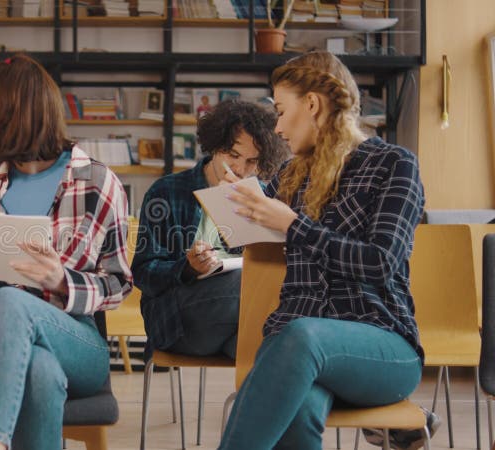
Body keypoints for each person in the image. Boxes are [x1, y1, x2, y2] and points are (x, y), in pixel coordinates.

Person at [218, 50, 429, 450]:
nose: (277, 128)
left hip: (382, 345)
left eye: (281, 111)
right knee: (295, 409)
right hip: (296, 349)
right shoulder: (287, 176)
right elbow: (264, 246)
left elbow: (381, 262)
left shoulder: (394, 164)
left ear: (312, 104)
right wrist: (240, 208)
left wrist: (293, 225)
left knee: (301, 337)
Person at [0, 54, 133, 450]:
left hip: (77, 339)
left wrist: (62, 280)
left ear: (9, 114)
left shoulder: (96, 182)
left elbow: (119, 284)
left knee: (8, 300)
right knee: (38, 371)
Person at [132, 99, 288, 362]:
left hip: (238, 321)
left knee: (279, 347)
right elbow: (143, 274)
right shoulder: (166, 192)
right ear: (215, 147)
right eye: (233, 156)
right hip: (178, 322)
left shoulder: (264, 200)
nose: (240, 169)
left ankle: (249, 404)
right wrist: (188, 267)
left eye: (252, 161)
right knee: (248, 285)